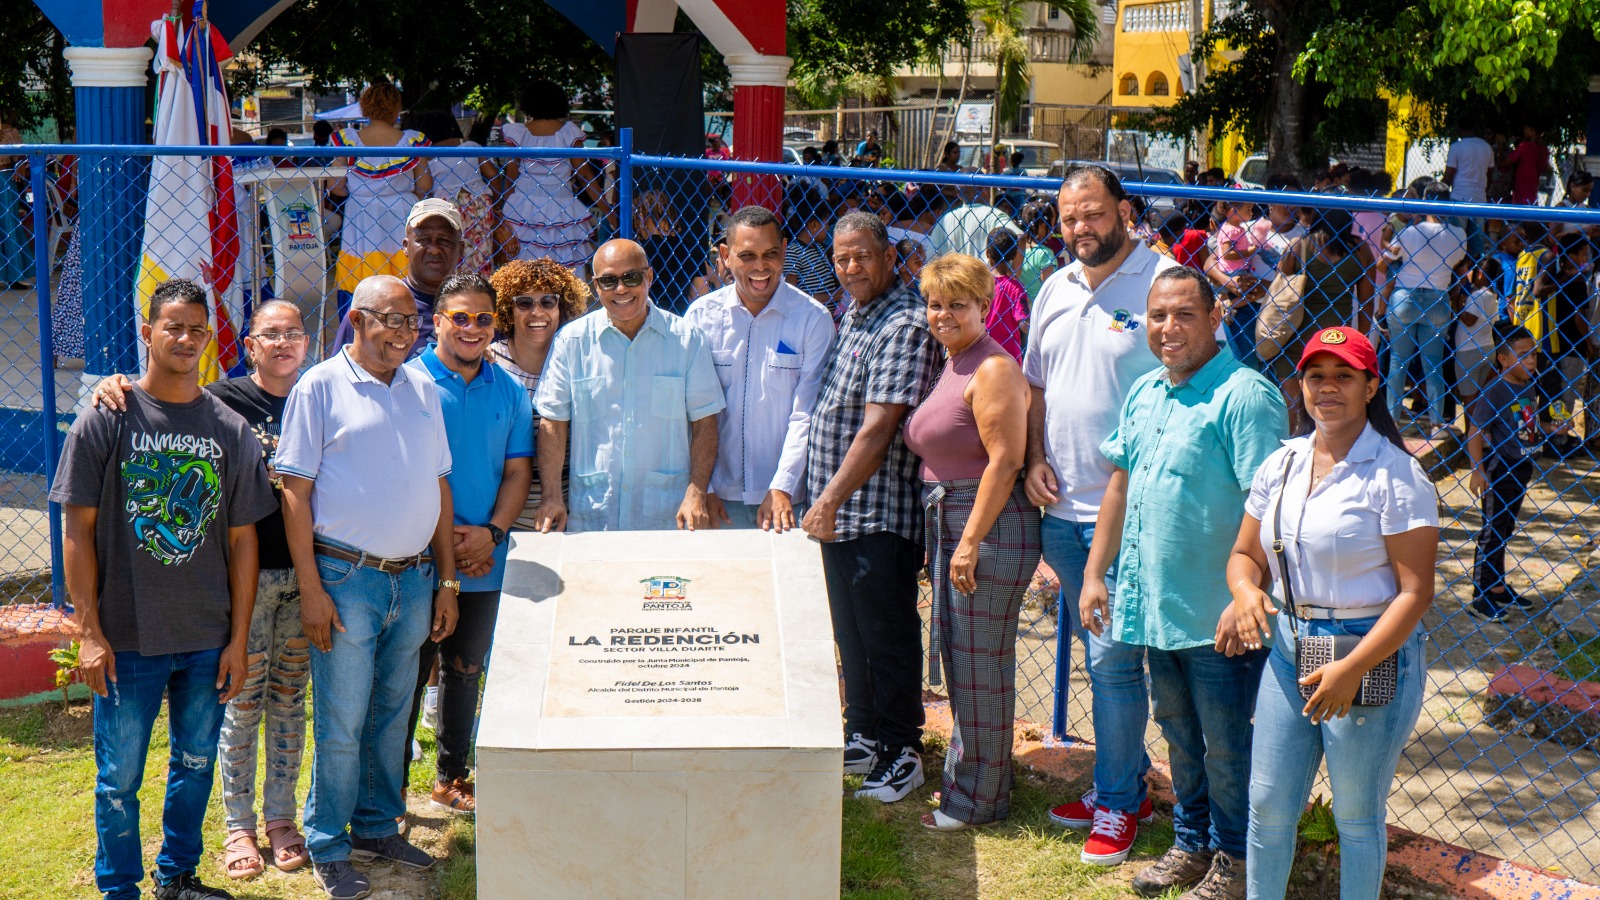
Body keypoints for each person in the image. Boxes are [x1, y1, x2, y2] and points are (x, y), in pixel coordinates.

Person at [52, 279, 278, 900]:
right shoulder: (107, 417)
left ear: (209, 338)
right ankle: (118, 888)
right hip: (127, 638)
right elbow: (77, 529)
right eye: (171, 327)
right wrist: (89, 633)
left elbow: (242, 542)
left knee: (196, 763)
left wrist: (237, 641)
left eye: (196, 329)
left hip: (207, 637)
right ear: (147, 334)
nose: (184, 338)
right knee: (118, 778)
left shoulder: (228, 429)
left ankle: (177, 877)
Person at [90, 301, 319, 880]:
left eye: (296, 332)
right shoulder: (225, 404)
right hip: (231, 587)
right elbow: (165, 395)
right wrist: (111, 384)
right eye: (271, 333)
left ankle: (276, 821)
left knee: (288, 705)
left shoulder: (323, 394)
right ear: (247, 344)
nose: (285, 342)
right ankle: (235, 827)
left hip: (304, 576)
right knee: (234, 711)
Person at [1085, 267, 1286, 897]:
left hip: (1218, 614)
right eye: (1157, 316)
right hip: (1154, 604)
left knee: (1227, 745)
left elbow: (1273, 510)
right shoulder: (1146, 391)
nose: (1168, 329)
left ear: (1216, 317)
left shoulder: (1246, 396)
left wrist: (1246, 594)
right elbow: (1120, 484)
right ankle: (1191, 843)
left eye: (1184, 316)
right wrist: (1096, 572)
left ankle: (1235, 859)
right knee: (1177, 733)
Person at [1225, 327, 1437, 900]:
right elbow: (1245, 555)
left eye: (1344, 375)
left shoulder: (1397, 475)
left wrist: (1350, 669)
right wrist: (1245, 592)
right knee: (1267, 802)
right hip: (1289, 647)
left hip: (1365, 648)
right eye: (1316, 375)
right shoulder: (1283, 464)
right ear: (1301, 385)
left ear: (1371, 386)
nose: (1328, 388)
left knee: (1355, 814)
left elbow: (1415, 594)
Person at [275, 274, 460, 899]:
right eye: (393, 321)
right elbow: (294, 493)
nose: (406, 335)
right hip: (345, 578)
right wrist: (312, 590)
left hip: (414, 580)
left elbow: (438, 484)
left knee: (390, 716)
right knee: (344, 719)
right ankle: (328, 841)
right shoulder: (320, 387)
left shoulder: (422, 385)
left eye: (413, 323)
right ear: (358, 318)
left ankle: (378, 826)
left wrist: (448, 581)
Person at [1026, 164, 1179, 865]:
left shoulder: (1163, 285)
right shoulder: (1054, 287)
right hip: (1059, 510)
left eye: (1092, 213)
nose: (1080, 228)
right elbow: (1035, 386)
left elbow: (1195, 386)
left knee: (1114, 663)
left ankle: (1118, 804)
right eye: (1068, 218)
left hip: (1128, 513)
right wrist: (1032, 458)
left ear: (1123, 210)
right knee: (1101, 658)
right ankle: (1125, 783)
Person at [804, 211, 941, 803]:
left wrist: (829, 498)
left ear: (891, 257)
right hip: (841, 514)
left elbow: (880, 424)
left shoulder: (905, 322)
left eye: (862, 255)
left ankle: (901, 749)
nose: (851, 267)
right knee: (850, 632)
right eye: (841, 258)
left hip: (876, 511)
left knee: (885, 634)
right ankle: (862, 733)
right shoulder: (857, 314)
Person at [901, 252, 1040, 831]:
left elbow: (1005, 458)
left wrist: (969, 542)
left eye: (958, 303)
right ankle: (973, 784)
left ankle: (978, 800)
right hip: (954, 520)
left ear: (985, 306)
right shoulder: (951, 362)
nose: (944, 313)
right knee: (965, 663)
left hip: (986, 525)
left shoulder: (992, 368)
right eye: (935, 303)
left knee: (981, 666)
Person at [399, 274, 534, 814]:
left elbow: (518, 471)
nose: (472, 328)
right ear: (437, 323)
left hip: (484, 558)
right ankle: (386, 785)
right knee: (410, 668)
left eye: (483, 318)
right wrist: (446, 551)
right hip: (419, 557)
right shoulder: (407, 381)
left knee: (466, 665)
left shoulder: (510, 389)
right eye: (460, 317)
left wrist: (493, 534)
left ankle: (453, 774)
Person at [532, 239, 725, 533]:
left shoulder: (687, 340)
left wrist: (696, 492)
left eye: (631, 277)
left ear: (648, 276)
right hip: (594, 516)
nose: (620, 289)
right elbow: (553, 424)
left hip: (668, 517)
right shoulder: (572, 342)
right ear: (596, 286)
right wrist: (551, 496)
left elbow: (705, 423)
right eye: (609, 281)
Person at [684, 205, 835, 530]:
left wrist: (782, 486)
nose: (761, 267)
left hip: (785, 501)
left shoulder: (813, 320)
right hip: (717, 499)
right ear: (725, 254)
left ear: (783, 250)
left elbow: (805, 413)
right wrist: (703, 488)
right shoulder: (700, 317)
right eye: (747, 256)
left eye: (770, 254)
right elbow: (688, 410)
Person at [1465, 325, 1566, 620]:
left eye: (1533, 354)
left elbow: (1526, 425)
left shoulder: (1527, 385)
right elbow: (1475, 429)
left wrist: (1550, 428)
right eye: (1523, 355)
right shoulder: (1496, 390)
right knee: (1493, 532)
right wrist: (1477, 470)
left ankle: (1496, 588)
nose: (1531, 361)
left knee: (1505, 530)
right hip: (1500, 470)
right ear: (1503, 359)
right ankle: (1480, 596)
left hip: (1522, 467)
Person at [486, 259, 591, 529]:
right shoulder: (489, 362)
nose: (536, 312)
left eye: (547, 302)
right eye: (524, 303)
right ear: (508, 309)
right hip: (499, 513)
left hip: (566, 512)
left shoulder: (578, 360)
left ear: (562, 307)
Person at [327, 83, 433, 317]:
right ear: (396, 108)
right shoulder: (413, 141)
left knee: (359, 275)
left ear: (365, 107)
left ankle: (361, 318)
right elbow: (425, 185)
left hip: (360, 214)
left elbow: (335, 186)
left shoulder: (346, 140)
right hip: (400, 212)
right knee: (403, 269)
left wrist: (359, 192)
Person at [331, 198, 465, 357]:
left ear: (461, 249)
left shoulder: (478, 312)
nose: (434, 249)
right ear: (406, 247)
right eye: (423, 240)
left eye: (444, 240)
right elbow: (339, 374)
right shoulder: (372, 307)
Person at [1385, 182, 1466, 433]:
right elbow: (1457, 261)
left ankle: (1391, 420)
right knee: (1434, 363)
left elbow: (1390, 257)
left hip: (1404, 297)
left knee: (1398, 362)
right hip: (1438, 299)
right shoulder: (1458, 235)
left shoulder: (1410, 232)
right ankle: (1436, 422)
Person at [500, 80, 597, 270]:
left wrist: (502, 207)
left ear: (528, 103)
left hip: (522, 207)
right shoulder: (569, 133)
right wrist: (608, 208)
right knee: (565, 269)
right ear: (559, 102)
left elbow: (511, 176)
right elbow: (584, 175)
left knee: (522, 267)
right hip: (562, 207)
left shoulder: (520, 133)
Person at [417, 110, 498, 277]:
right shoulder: (471, 147)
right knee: (481, 250)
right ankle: (481, 288)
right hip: (478, 203)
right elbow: (492, 175)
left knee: (450, 250)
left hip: (445, 207)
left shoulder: (426, 155)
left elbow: (425, 185)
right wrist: (497, 203)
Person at [1454, 256, 1503, 407]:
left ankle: (1471, 431)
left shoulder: (1477, 295)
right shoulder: (1491, 295)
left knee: (1469, 398)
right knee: (1480, 395)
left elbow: (1469, 320)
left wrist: (1457, 302)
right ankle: (1480, 429)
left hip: (1469, 351)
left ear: (1480, 273)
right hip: (1487, 347)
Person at [1442, 122, 1494, 256]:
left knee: (1457, 237)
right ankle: (1477, 270)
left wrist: (1441, 189)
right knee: (1477, 239)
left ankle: (1456, 271)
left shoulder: (1456, 147)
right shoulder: (1486, 147)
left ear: (1459, 130)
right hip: (1479, 199)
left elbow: (1449, 175)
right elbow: (1490, 174)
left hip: (1459, 198)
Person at [983, 227, 1030, 361]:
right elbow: (1024, 325)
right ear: (1014, 255)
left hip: (981, 352)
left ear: (987, 253)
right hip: (1008, 355)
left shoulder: (978, 284)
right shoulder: (1016, 288)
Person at [1500, 124, 1550, 205]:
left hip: (1521, 198)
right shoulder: (1544, 150)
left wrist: (1500, 145)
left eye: (1526, 129)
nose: (1524, 131)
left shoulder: (1524, 147)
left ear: (1532, 130)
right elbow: (1544, 169)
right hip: (1532, 197)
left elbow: (1503, 163)